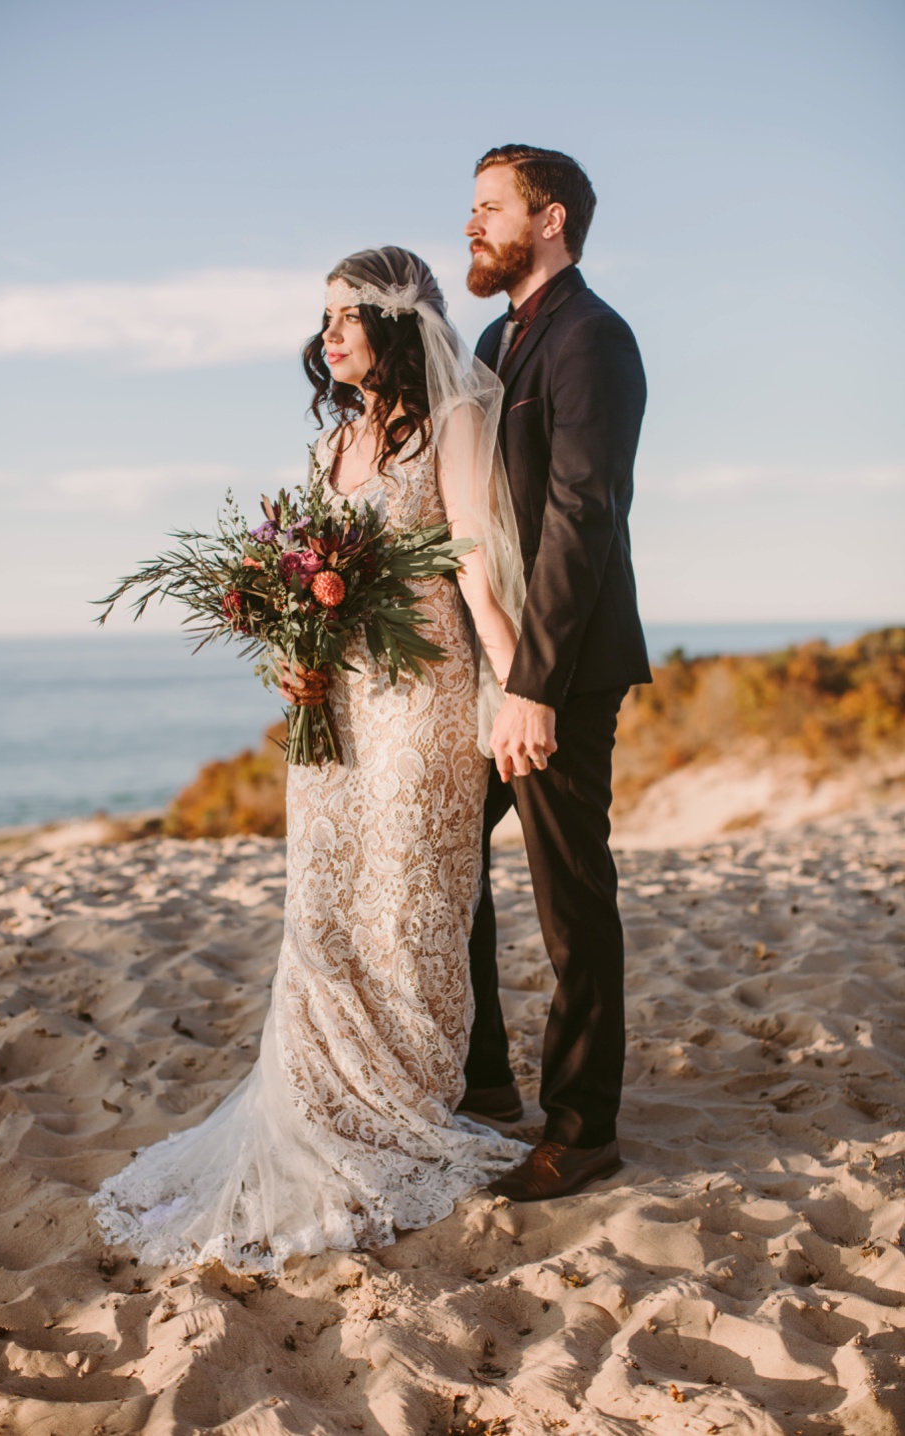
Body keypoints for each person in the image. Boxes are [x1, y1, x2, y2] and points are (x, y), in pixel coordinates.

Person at [92, 249, 531, 1274]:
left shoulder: (455, 424)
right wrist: (294, 659)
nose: (329, 334)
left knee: (409, 903)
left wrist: (513, 684)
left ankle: (403, 1106)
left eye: (349, 314)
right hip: (333, 715)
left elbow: (473, 559)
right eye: (323, 316)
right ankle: (323, 1100)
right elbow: (307, 582)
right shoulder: (330, 446)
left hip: (422, 708)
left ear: (399, 323)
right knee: (326, 903)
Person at [459, 145, 650, 1202]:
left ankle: (581, 1129)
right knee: (451, 854)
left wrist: (530, 681)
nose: (473, 224)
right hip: (497, 660)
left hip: (562, 667)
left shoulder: (595, 338)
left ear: (553, 218)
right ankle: (485, 1080)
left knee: (570, 892)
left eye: (491, 208)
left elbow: (585, 514)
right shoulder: (498, 338)